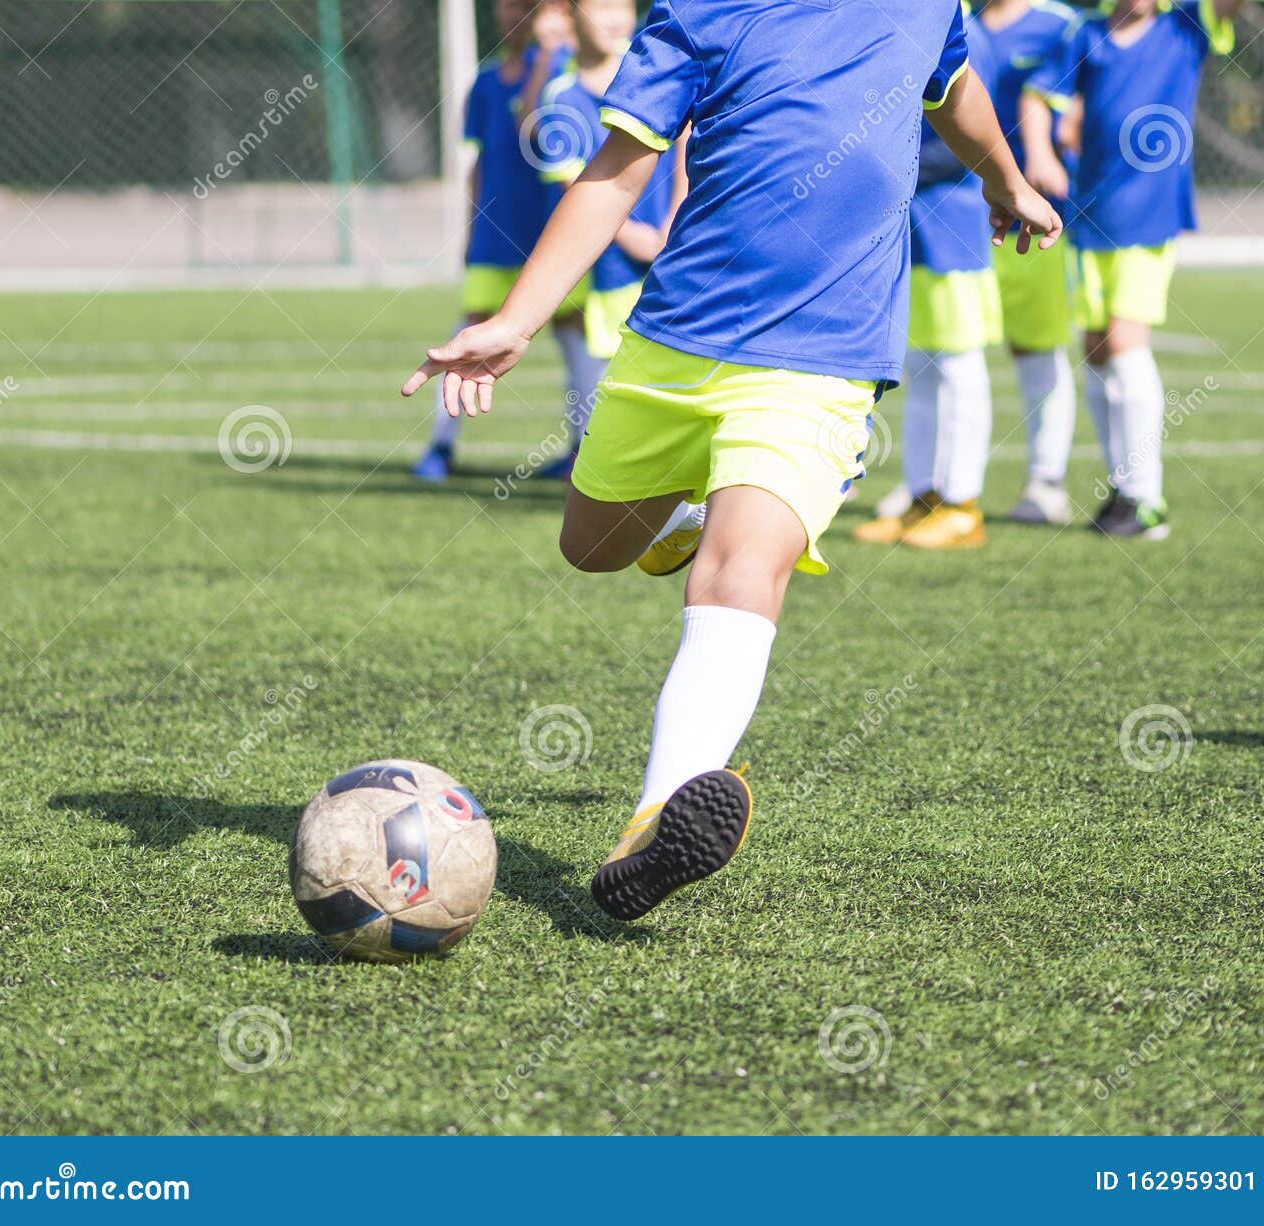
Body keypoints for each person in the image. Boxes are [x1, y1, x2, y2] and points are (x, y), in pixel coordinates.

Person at [402, 0, 1061, 920]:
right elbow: (616, 169)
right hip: (676, 338)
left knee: (743, 565)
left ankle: (657, 818)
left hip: (822, 362)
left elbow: (953, 88)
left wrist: (1005, 177)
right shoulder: (700, 10)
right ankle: (683, 514)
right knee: (588, 546)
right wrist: (516, 318)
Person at [1022, 0, 1245, 538]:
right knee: (1096, 348)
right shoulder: (1086, 34)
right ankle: (1122, 488)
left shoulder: (1185, 27)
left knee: (1124, 342)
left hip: (1150, 218)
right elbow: (1037, 97)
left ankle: (1148, 498)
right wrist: (1041, 154)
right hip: (1090, 215)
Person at [411, 0, 593, 485]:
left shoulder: (564, 71)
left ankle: (581, 448)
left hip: (550, 234)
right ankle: (440, 447)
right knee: (468, 331)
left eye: (524, 8)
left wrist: (553, 53)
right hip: (495, 235)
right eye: (506, 8)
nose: (513, 16)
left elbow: (533, 127)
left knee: (573, 330)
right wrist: (471, 230)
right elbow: (477, 162)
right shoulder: (486, 82)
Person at [855, 6, 1004, 551]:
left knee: (960, 367)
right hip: (912, 224)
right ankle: (925, 496)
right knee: (922, 366)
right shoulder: (905, 23)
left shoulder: (961, 32)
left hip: (955, 228)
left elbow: (964, 137)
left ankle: (962, 503)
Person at [528, 0, 688, 477]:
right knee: (612, 386)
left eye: (623, 5)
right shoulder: (560, 97)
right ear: (572, 14)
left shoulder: (650, 66)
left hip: (675, 255)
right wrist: (630, 234)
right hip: (613, 268)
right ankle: (594, 461)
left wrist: (673, 222)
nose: (616, 17)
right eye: (602, 6)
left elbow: (686, 142)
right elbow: (576, 187)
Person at [980, 0, 1081, 526]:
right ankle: (930, 491)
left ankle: (1047, 482)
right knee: (946, 354)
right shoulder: (959, 20)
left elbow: (1091, 95)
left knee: (1036, 348)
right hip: (953, 214)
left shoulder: (1062, 24)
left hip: (1036, 222)